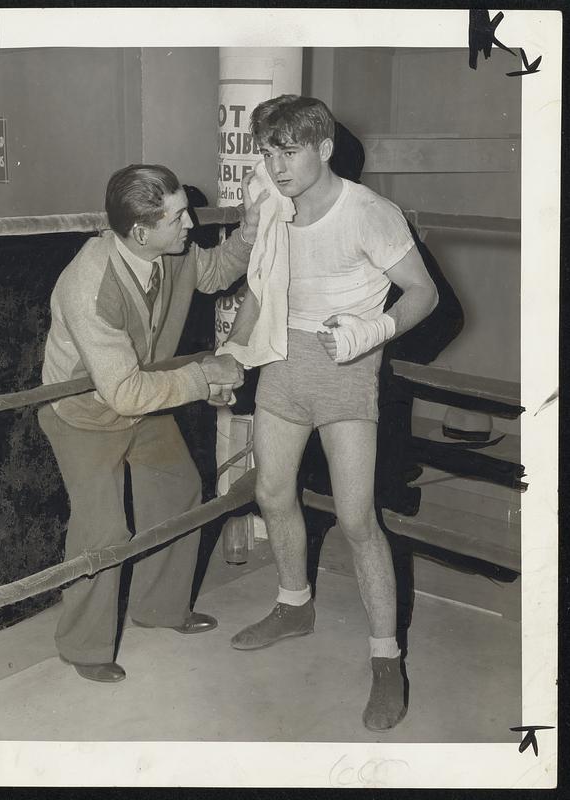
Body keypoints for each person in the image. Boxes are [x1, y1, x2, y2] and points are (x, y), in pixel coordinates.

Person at [220, 95, 438, 730]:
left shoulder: (370, 213)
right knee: (271, 490)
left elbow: (424, 291)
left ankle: (385, 658)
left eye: (289, 151)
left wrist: (375, 329)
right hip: (282, 364)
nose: (276, 164)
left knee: (356, 518)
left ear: (323, 149)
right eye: (267, 151)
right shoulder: (275, 208)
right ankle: (294, 604)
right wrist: (235, 353)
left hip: (344, 373)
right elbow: (263, 287)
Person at [39, 163, 266, 683]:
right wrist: (205, 375)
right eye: (180, 216)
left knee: (179, 489)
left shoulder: (172, 250)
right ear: (141, 232)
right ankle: (83, 646)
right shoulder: (89, 284)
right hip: (84, 414)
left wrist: (252, 229)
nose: (192, 224)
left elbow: (215, 270)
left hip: (141, 397)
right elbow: (119, 391)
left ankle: (160, 608)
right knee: (104, 529)